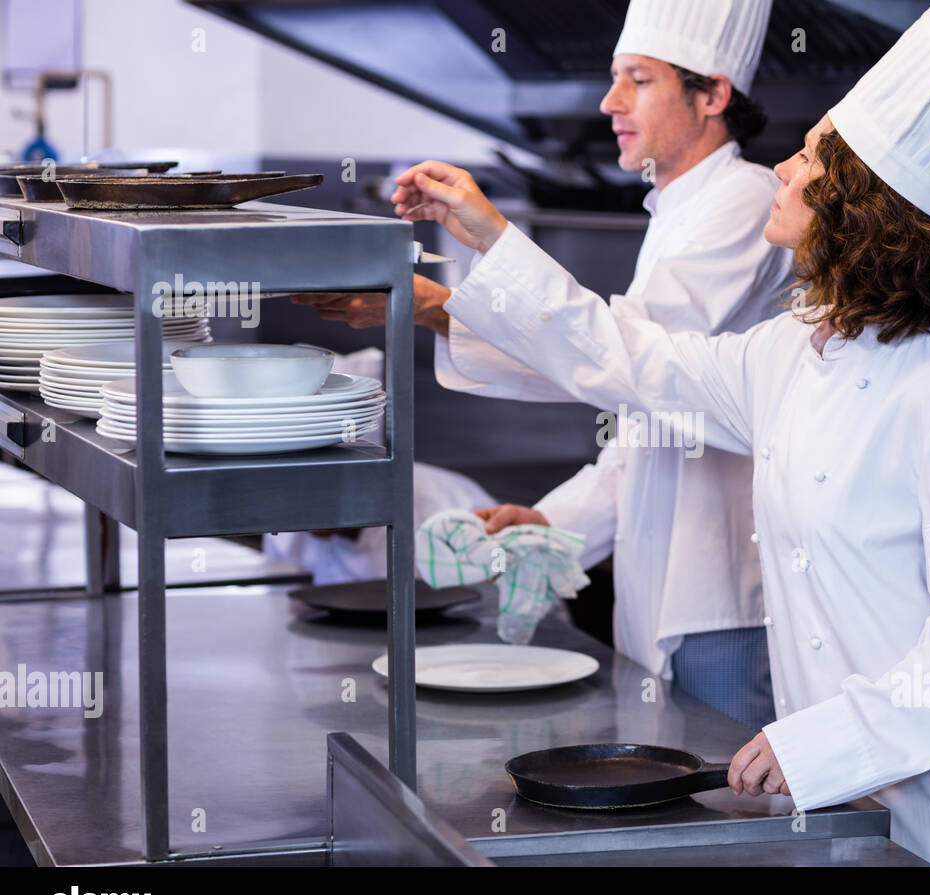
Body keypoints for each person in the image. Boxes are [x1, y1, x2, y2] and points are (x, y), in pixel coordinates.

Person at [387, 0, 930, 866]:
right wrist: (487, 239)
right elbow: (630, 359)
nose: (782, 166)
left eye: (809, 158)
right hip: (841, 803)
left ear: (860, 207)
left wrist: (819, 745)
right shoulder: (791, 355)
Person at [297, 0, 793, 731]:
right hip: (664, 593)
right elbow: (641, 414)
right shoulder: (677, 209)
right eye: (614, 78)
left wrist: (471, 268)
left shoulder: (745, 199)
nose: (609, 101)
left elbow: (625, 361)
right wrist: (552, 524)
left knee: (733, 822)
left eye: (638, 80)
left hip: (722, 600)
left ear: (713, 95)